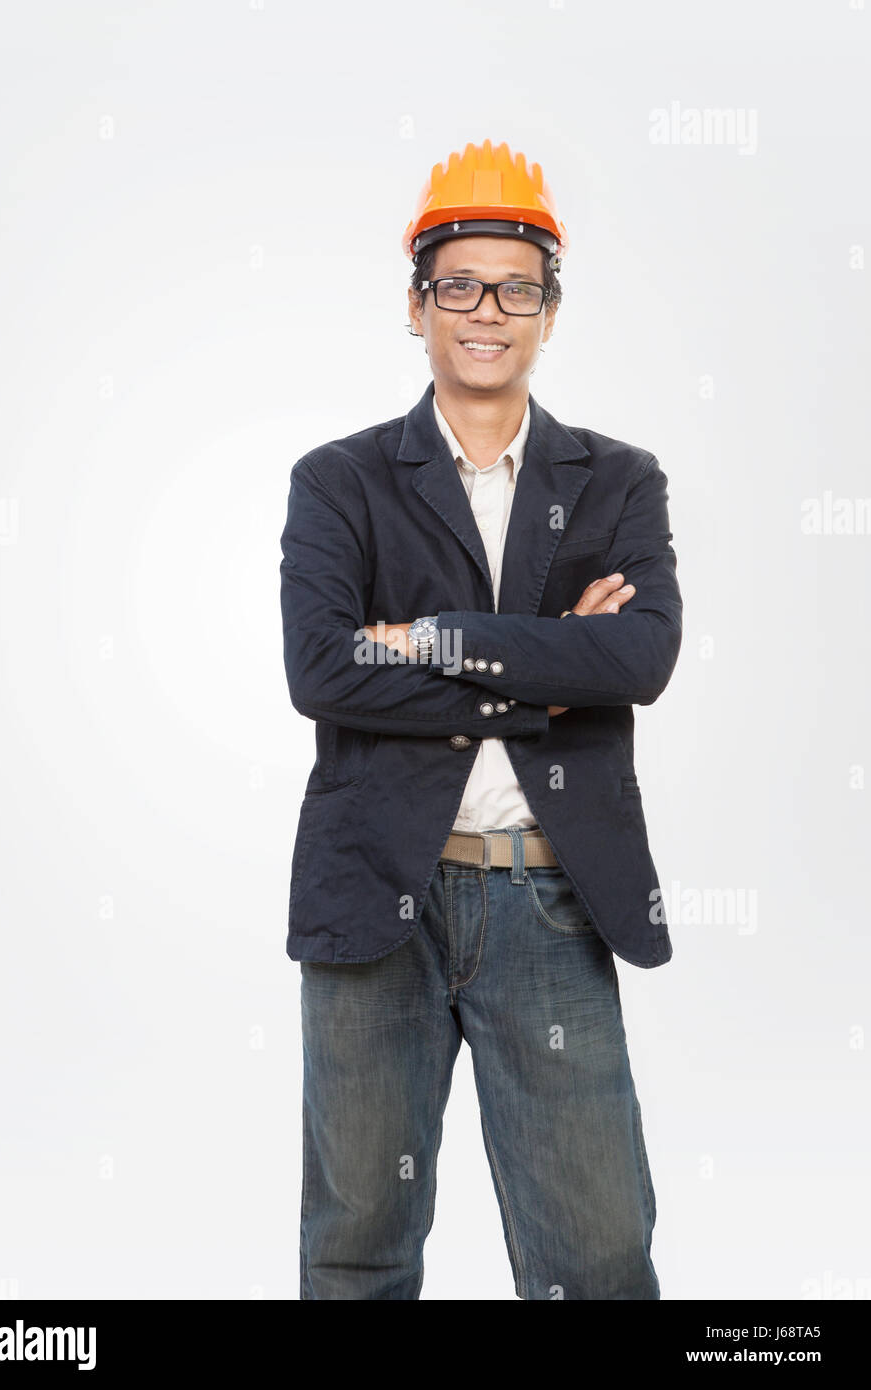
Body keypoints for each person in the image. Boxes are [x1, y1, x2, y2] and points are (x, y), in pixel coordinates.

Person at [279, 138, 683, 1300]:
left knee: (597, 1254)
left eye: (516, 286)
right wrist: (557, 669)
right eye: (458, 284)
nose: (486, 311)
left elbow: (640, 656)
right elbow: (322, 670)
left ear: (549, 311)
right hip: (374, 898)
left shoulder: (616, 481)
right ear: (416, 305)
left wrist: (431, 638)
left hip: (547, 900)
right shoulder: (339, 482)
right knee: (356, 1241)